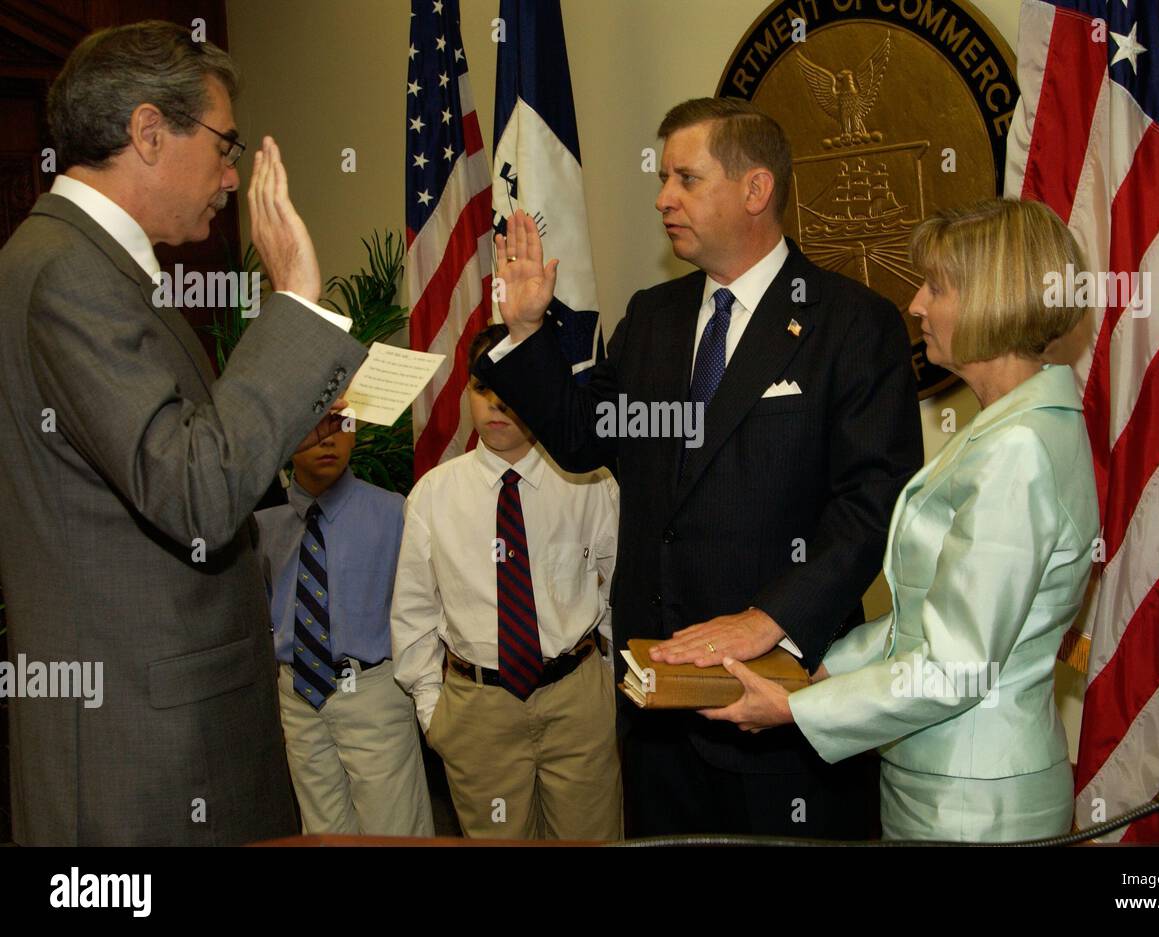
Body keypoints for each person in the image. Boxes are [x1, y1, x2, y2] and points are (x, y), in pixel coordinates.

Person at [478, 98, 923, 837]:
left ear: (755, 190)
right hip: (658, 716)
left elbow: (870, 506)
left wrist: (768, 618)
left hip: (776, 706)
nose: (662, 198)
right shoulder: (653, 316)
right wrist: (527, 332)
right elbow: (589, 437)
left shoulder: (852, 324)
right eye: (662, 178)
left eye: (685, 178)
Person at [0, 21, 368, 845]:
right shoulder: (69, 274)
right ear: (148, 131)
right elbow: (195, 492)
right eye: (225, 144)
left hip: (163, 733)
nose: (232, 176)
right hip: (145, 760)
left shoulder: (87, 265)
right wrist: (298, 305)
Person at [704, 198, 1100, 842]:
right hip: (941, 777)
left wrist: (797, 708)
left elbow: (957, 667)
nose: (915, 304)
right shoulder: (1017, 427)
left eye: (936, 287)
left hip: (973, 802)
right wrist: (819, 666)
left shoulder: (1016, 451)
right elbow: (929, 620)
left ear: (990, 301)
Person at [391, 324, 621, 841]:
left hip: (575, 700)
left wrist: (605, 687)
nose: (497, 405)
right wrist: (435, 715)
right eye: (482, 390)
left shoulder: (590, 483)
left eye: (511, 390)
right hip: (479, 712)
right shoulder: (433, 496)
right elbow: (413, 614)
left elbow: (615, 590)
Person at [255, 421, 434, 837]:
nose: (327, 438)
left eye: (342, 425)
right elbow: (261, 609)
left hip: (371, 690)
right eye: (312, 427)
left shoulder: (394, 512)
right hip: (298, 694)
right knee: (322, 828)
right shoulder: (264, 522)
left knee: (394, 827)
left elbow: (420, 603)